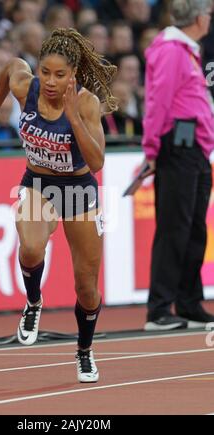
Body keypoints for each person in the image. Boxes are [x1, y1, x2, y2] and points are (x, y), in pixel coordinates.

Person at [0, 27, 117, 382]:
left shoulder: (86, 102)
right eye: (45, 72)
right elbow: (10, 67)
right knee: (30, 248)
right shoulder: (28, 88)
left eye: (60, 74)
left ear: (74, 75)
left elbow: (98, 162)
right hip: (39, 183)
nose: (51, 82)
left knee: (87, 288)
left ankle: (84, 351)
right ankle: (34, 303)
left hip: (78, 190)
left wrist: (72, 117)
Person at [143, 0, 214, 331]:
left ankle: (187, 302)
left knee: (195, 227)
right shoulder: (172, 50)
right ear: (199, 18)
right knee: (175, 227)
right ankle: (159, 309)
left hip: (195, 149)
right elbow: (158, 101)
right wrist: (152, 147)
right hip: (178, 147)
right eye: (209, 14)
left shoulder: (185, 49)